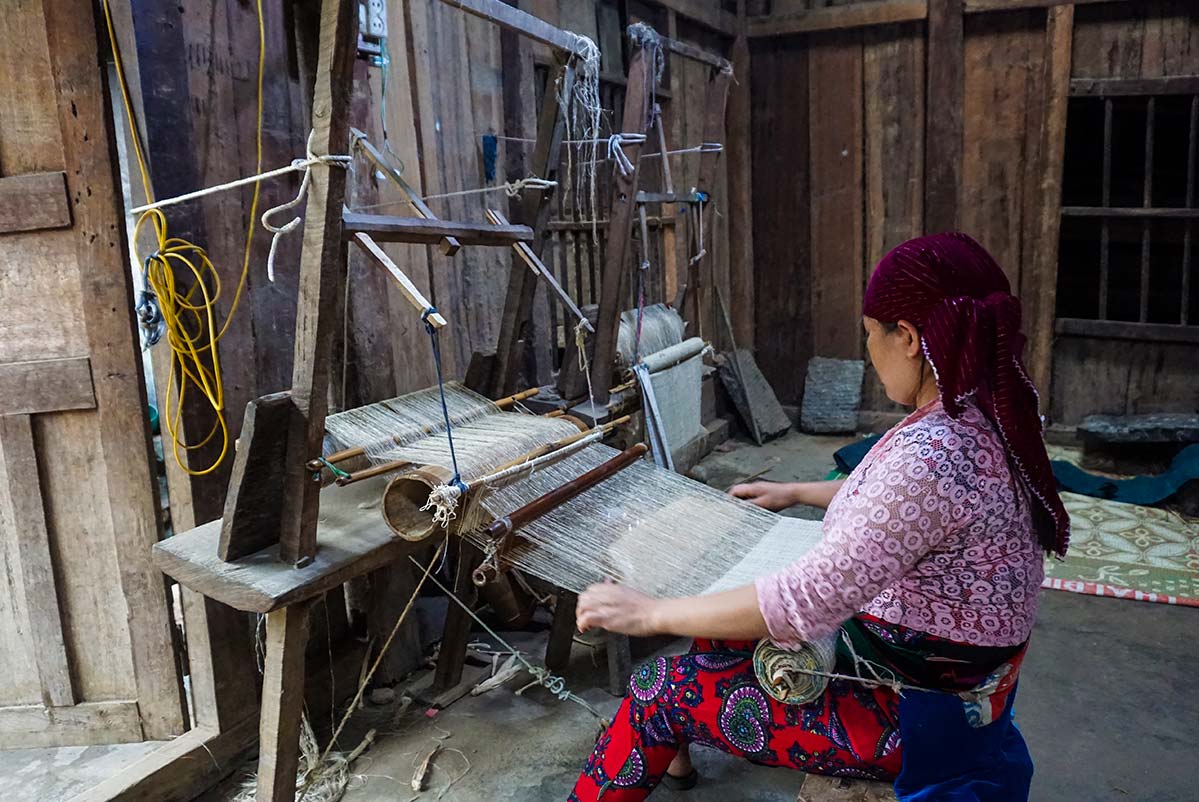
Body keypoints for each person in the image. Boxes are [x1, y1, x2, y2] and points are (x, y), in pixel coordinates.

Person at [567, 233, 1070, 802]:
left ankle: (664, 726)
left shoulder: (933, 454)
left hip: (917, 719)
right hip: (945, 681)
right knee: (718, 622)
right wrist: (795, 491)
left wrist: (650, 614)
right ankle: (674, 750)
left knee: (655, 688)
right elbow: (908, 511)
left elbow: (805, 602)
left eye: (870, 334)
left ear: (907, 338)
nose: (869, 351)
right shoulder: (981, 413)